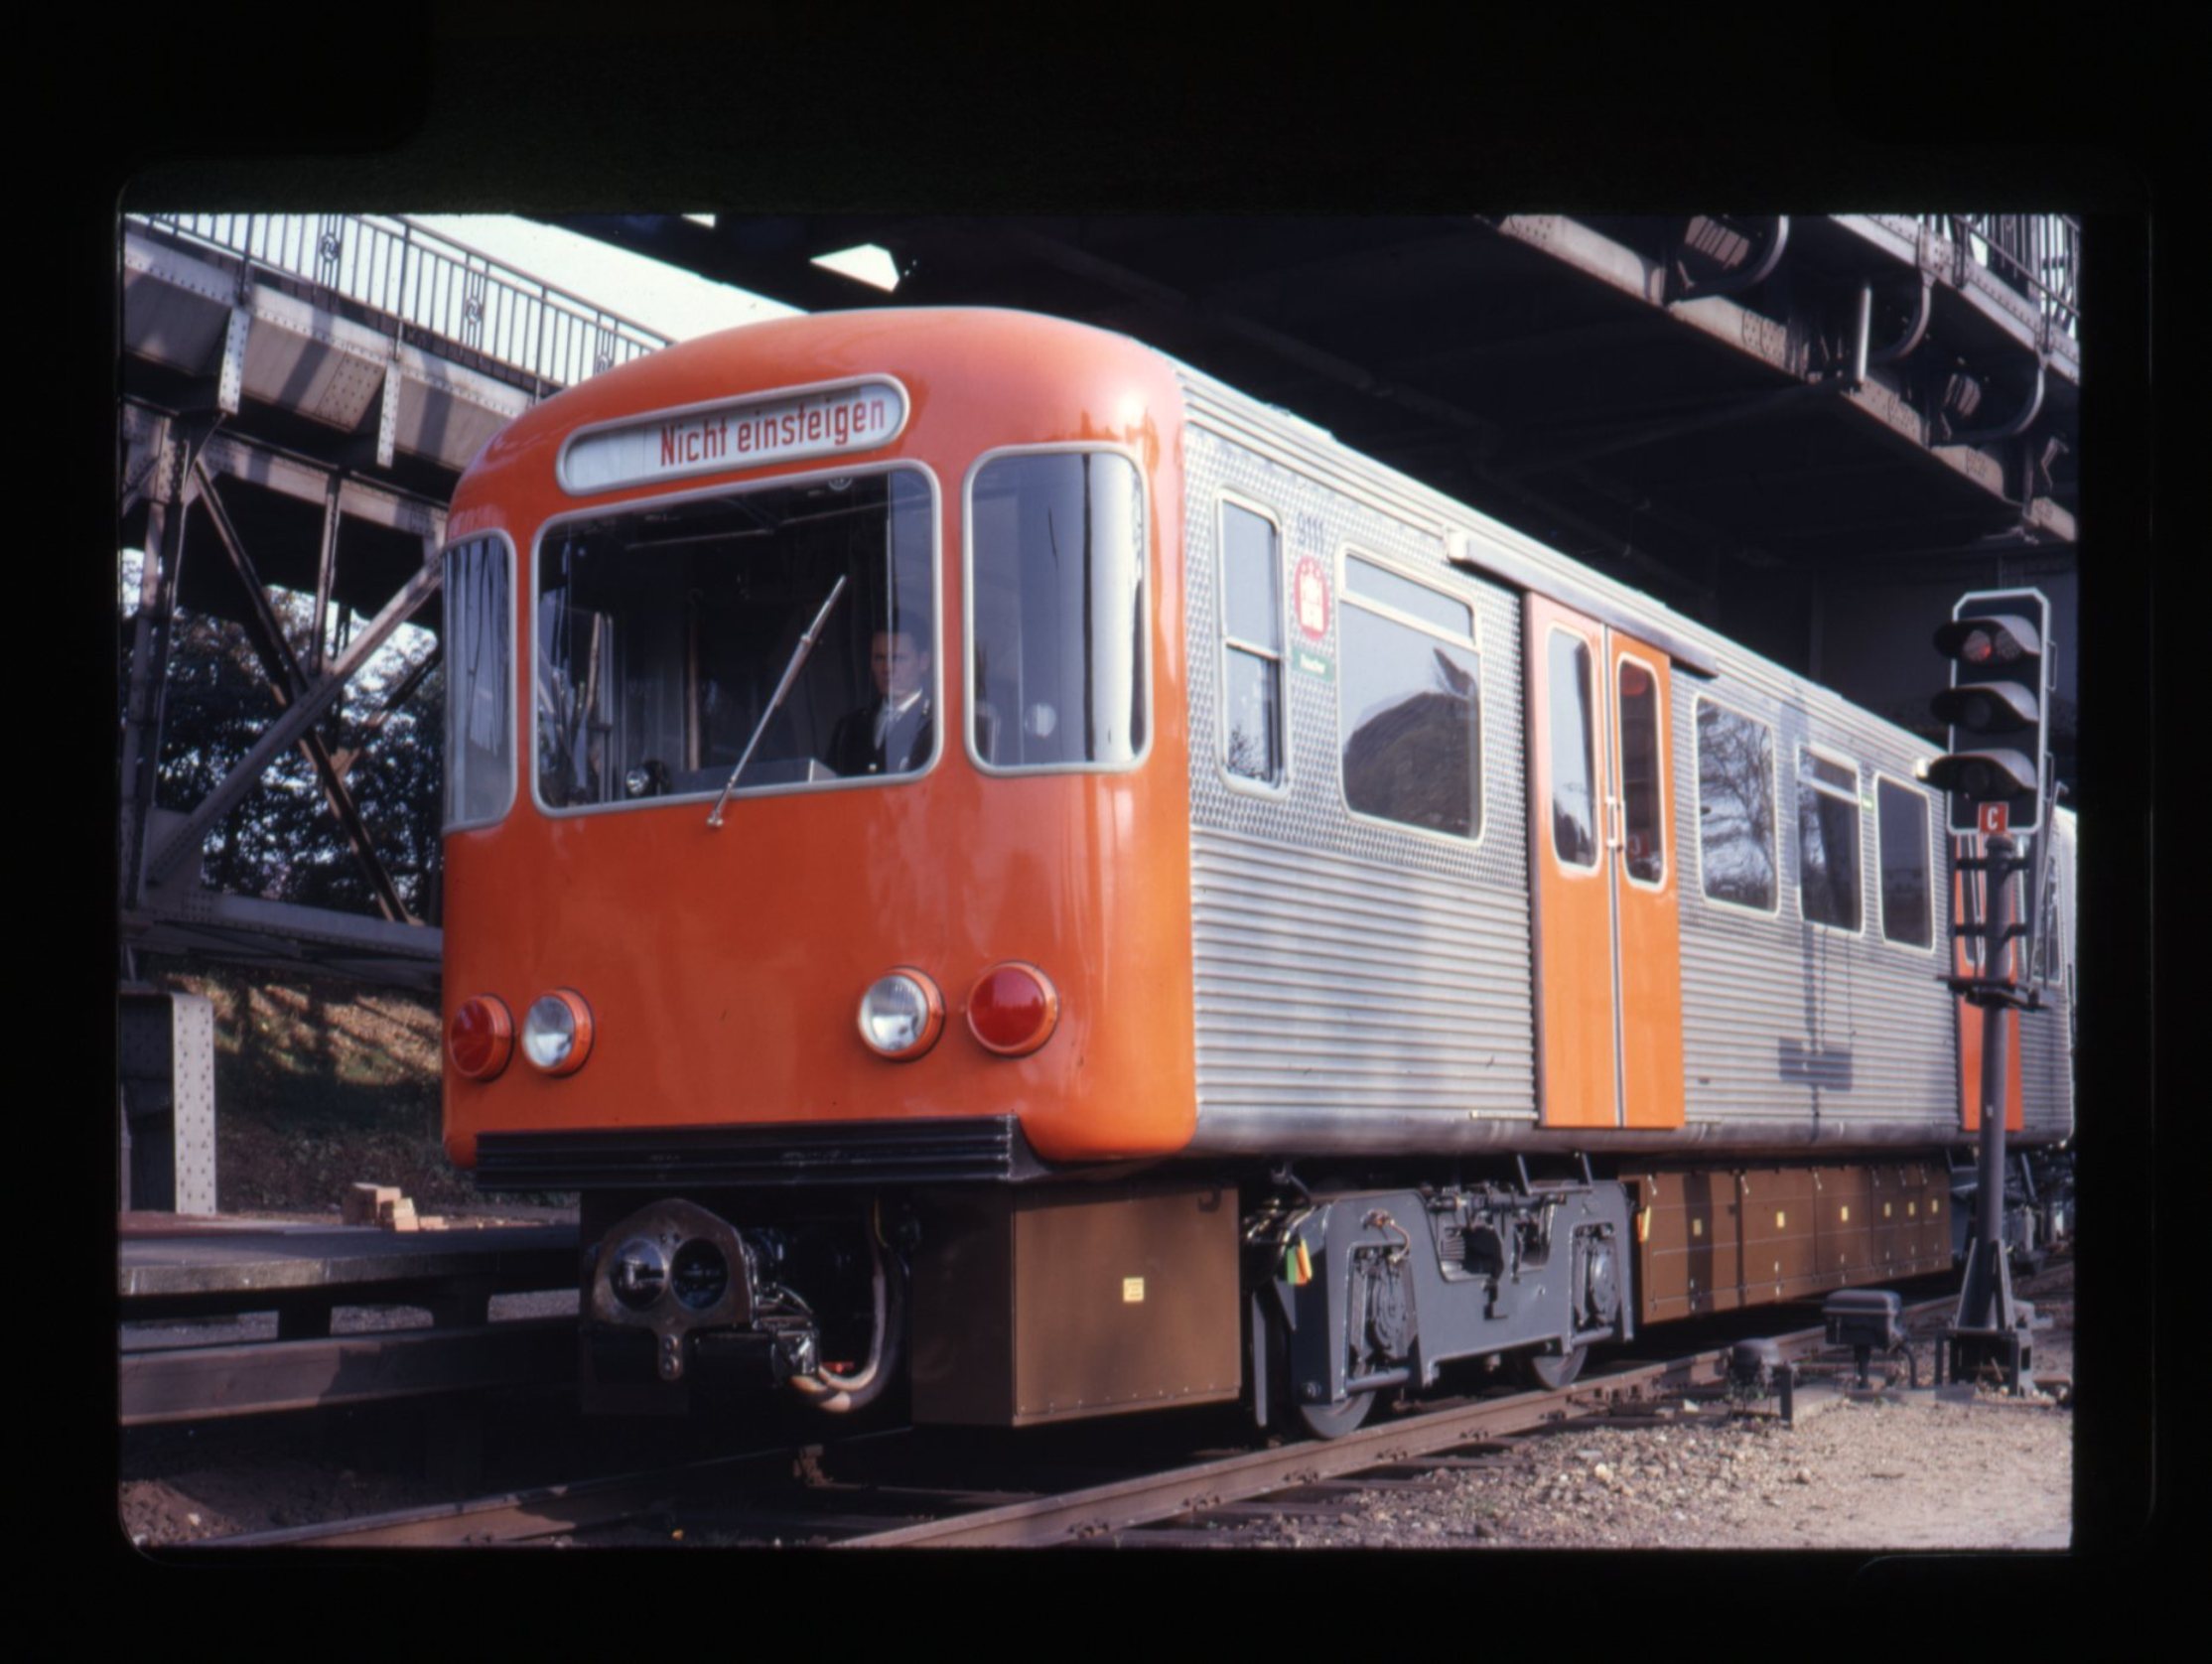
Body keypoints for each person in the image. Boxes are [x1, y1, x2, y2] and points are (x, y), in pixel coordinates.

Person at [829, 624, 933, 777]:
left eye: (898, 658)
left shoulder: (936, 724)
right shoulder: (848, 728)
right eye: (879, 658)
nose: (887, 668)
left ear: (923, 662)